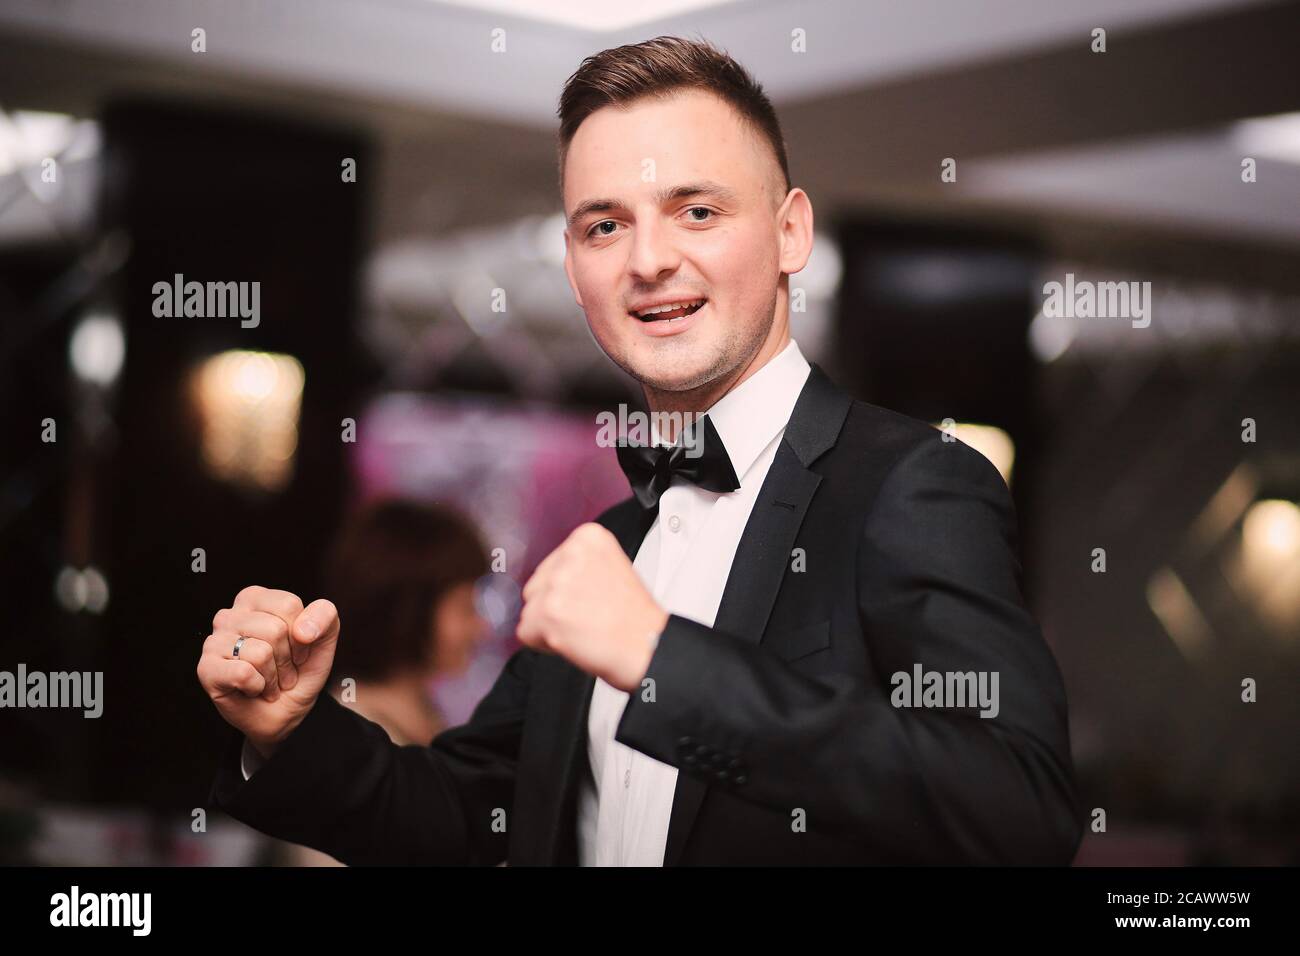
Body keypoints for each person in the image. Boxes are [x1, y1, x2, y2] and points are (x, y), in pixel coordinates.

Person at [198, 36, 1083, 865]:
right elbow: (472, 812)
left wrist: (664, 661)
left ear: (790, 234)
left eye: (696, 210)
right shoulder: (613, 540)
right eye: (604, 226)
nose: (648, 261)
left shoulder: (911, 484)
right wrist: (291, 731)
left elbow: (1019, 808)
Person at [277, 499, 490, 865]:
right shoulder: (342, 740)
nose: (480, 628)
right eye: (465, 607)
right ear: (409, 610)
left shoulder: (427, 715)